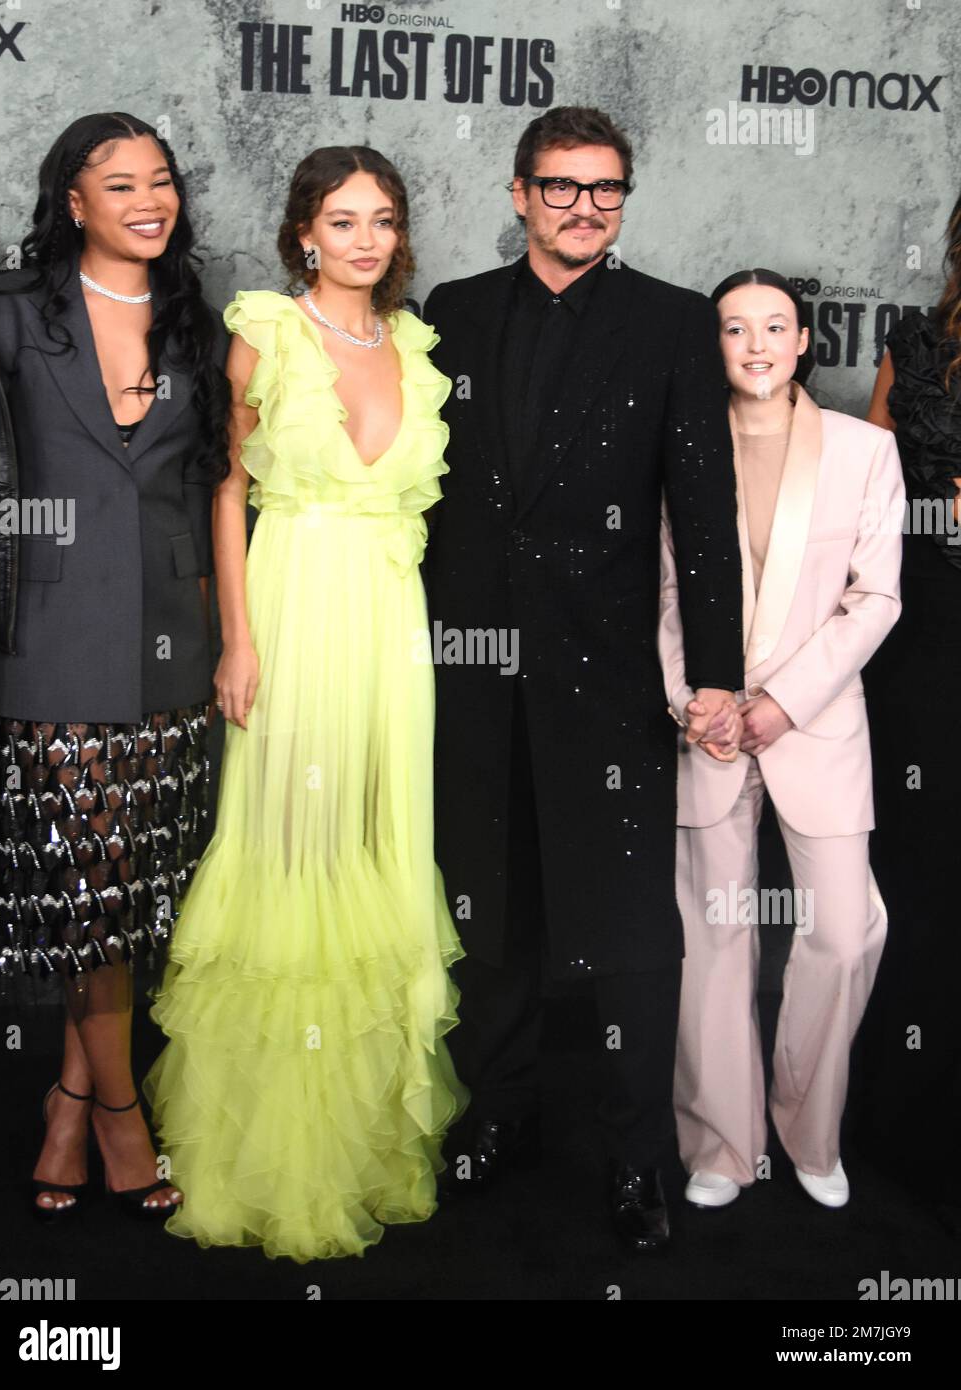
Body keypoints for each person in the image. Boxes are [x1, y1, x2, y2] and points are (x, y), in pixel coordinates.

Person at [422, 106, 744, 1253]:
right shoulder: (451, 313)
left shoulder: (668, 322)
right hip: (467, 672)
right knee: (489, 917)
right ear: (517, 194)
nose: (583, 209)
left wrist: (715, 678)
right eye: (560, 188)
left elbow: (701, 518)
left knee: (623, 938)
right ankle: (490, 1121)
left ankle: (632, 1161)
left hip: (603, 678)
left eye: (605, 190)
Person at [144, 146, 468, 1264]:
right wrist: (237, 639)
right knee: (286, 854)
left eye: (382, 218)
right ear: (303, 234)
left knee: (375, 851)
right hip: (290, 607)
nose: (364, 239)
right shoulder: (268, 334)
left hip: (388, 624)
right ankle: (261, 1153)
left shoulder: (418, 351)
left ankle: (363, 1141)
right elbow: (224, 489)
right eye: (341, 220)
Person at [0, 112, 227, 1218]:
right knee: (88, 883)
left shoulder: (198, 326)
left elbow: (211, 485)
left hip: (175, 639)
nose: (147, 200)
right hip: (51, 635)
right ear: (72, 202)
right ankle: (122, 1112)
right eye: (118, 184)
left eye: (159, 181)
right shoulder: (6, 320)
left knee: (126, 890)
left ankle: (69, 1099)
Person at [660, 269, 904, 1211]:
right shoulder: (683, 449)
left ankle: (809, 1130)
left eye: (775, 327)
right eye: (733, 329)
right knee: (714, 940)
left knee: (845, 934)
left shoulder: (861, 452)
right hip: (710, 732)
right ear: (713, 345)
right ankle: (722, 1147)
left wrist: (785, 702)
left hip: (818, 727)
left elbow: (876, 596)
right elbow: (667, 592)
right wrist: (697, 699)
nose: (756, 344)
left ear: (805, 342)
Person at [852, 194, 961, 1217]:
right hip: (925, 635)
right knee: (920, 880)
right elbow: (866, 488)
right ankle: (898, 1118)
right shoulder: (916, 347)